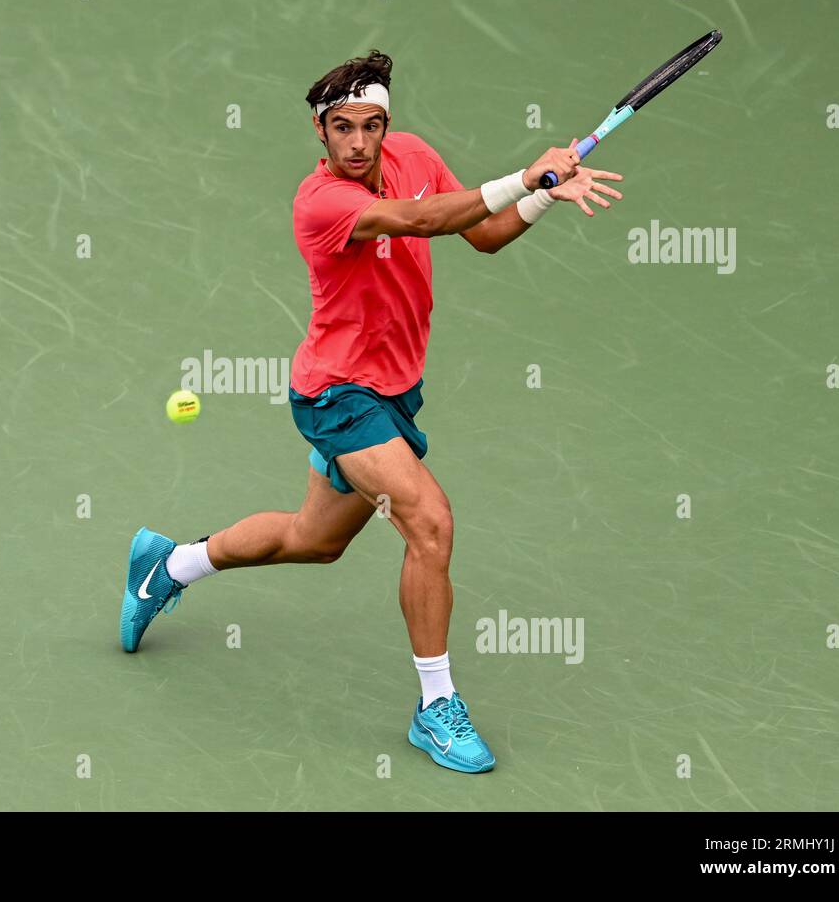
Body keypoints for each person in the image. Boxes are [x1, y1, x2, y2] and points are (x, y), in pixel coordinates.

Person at [120, 50, 624, 774]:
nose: (359, 142)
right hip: (338, 397)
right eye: (343, 127)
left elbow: (480, 232)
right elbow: (417, 219)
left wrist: (545, 194)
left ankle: (168, 564)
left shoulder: (413, 154)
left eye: (373, 125)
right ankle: (435, 706)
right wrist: (524, 174)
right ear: (320, 134)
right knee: (429, 521)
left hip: (395, 391)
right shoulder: (320, 202)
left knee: (314, 538)